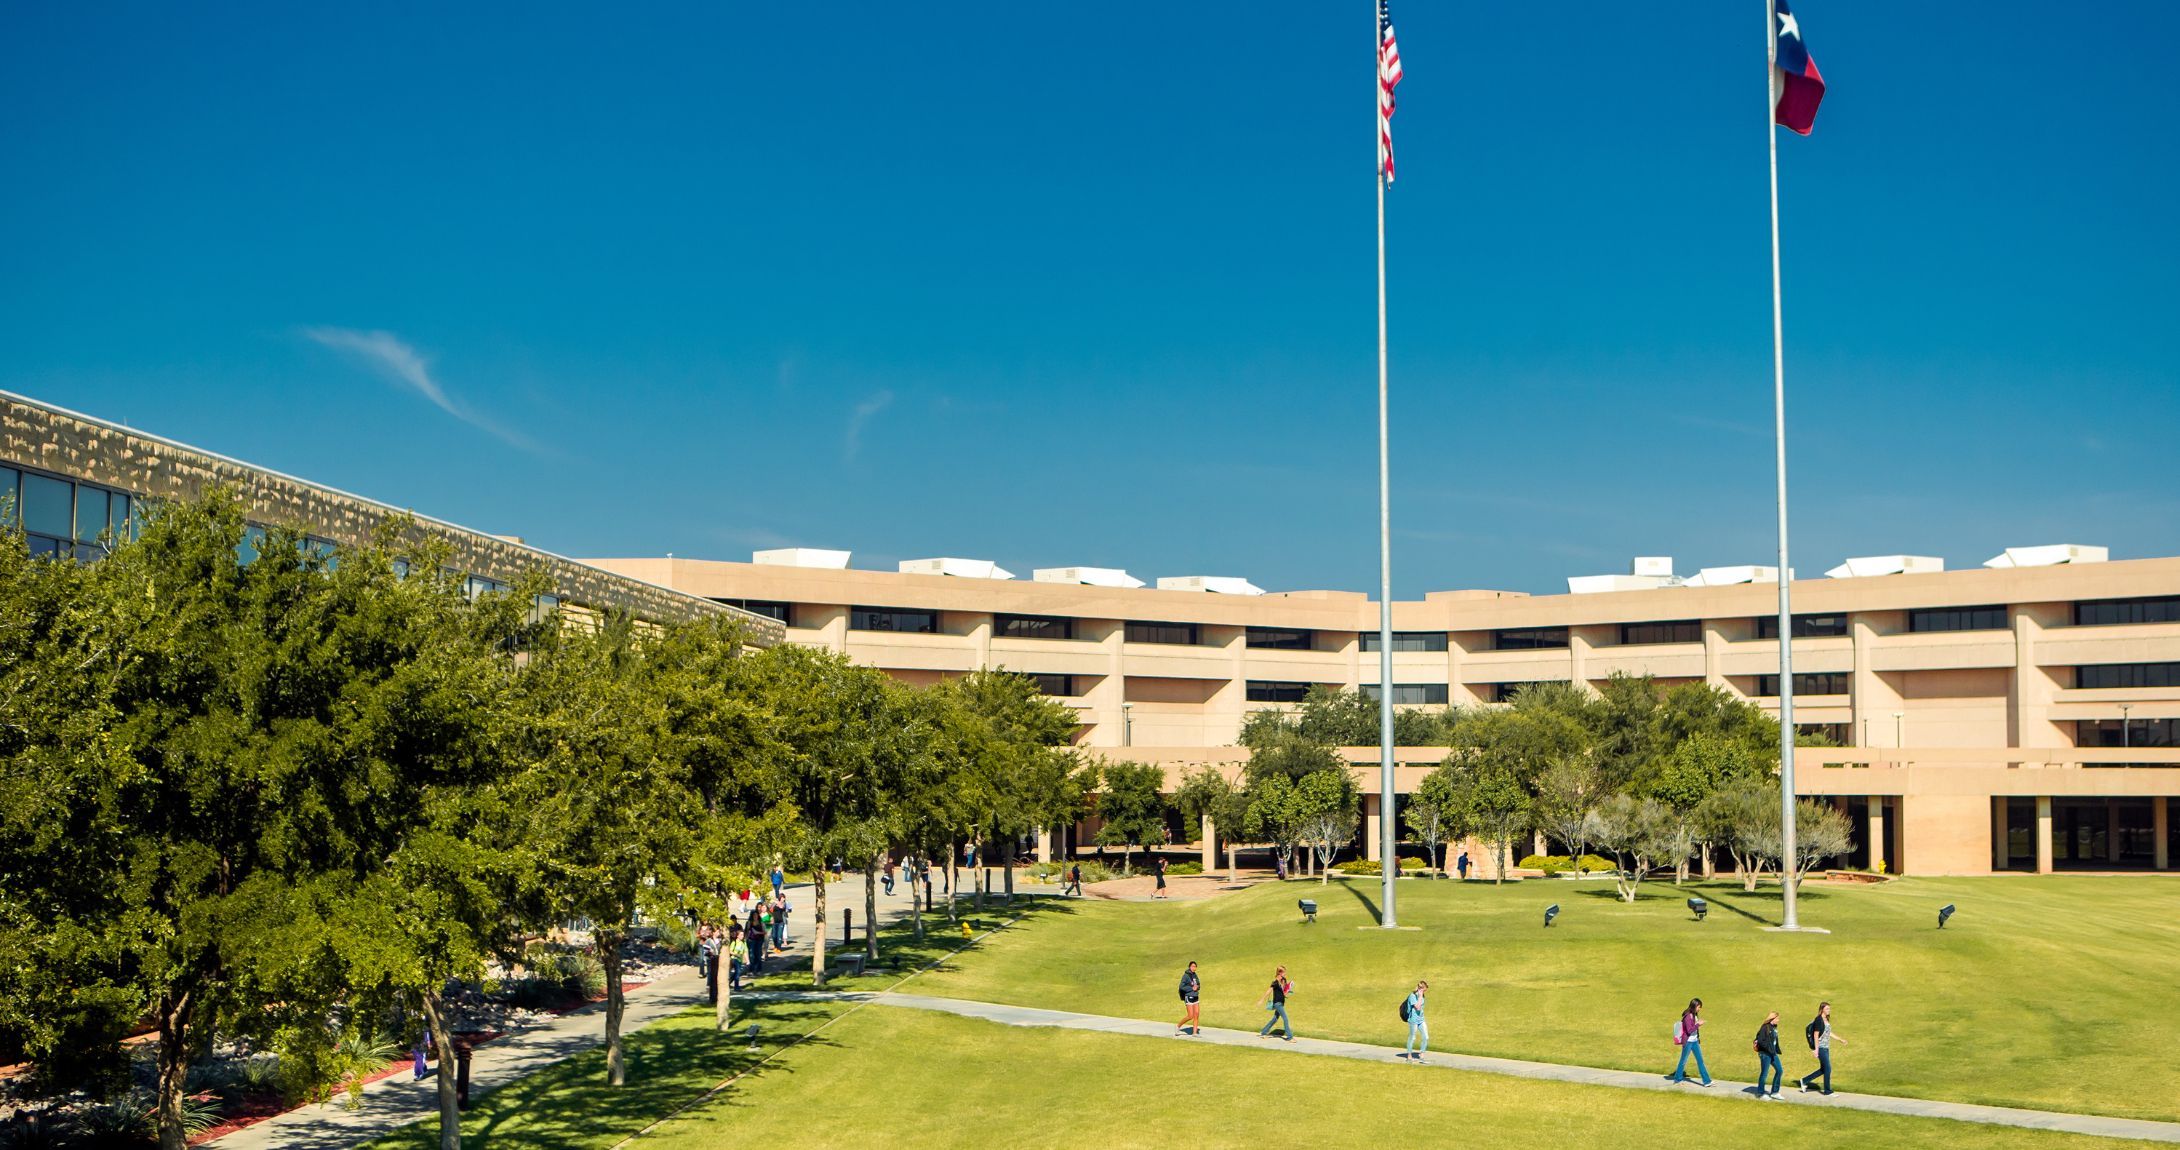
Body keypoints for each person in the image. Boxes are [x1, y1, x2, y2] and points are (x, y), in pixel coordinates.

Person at [1798, 1002, 1843, 1095]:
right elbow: (1816, 1035)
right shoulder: (1818, 1019)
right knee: (1828, 1069)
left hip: (1826, 1047)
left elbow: (1828, 1033)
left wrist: (1840, 1039)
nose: (1829, 1010)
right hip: (1821, 1047)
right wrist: (1816, 1050)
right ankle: (1827, 1091)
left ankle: (1804, 1080)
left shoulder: (1826, 1019)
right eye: (1827, 1009)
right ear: (1822, 1009)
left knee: (1824, 1069)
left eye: (1829, 1009)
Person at [1666, 997, 1712, 1086]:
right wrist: (1698, 1024)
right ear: (1694, 1006)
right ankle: (1677, 1079)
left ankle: (1707, 1081)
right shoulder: (1687, 1016)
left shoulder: (1694, 1015)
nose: (1700, 1009)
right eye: (1699, 1007)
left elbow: (1694, 1030)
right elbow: (1689, 1030)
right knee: (1683, 1061)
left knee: (1700, 1061)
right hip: (1688, 1042)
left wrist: (1698, 1037)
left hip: (1694, 1041)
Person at [1258, 966, 1294, 1041]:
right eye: (1284, 972)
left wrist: (1287, 991)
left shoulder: (1284, 980)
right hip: (1277, 1003)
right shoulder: (1275, 982)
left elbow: (1283, 992)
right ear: (1280, 973)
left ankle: (1263, 1032)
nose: (1285, 974)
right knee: (1285, 1018)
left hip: (1281, 1002)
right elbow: (1269, 991)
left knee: (1274, 1019)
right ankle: (1289, 1037)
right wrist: (1262, 999)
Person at [1754, 1011, 1784, 1099]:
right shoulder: (1765, 1027)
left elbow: (1774, 1041)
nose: (1778, 1020)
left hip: (1772, 1053)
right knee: (1764, 1073)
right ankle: (1760, 1093)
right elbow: (1760, 1040)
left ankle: (1774, 1092)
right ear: (1772, 1018)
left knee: (1779, 1070)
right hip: (1765, 1054)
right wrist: (1769, 1049)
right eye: (1777, 1018)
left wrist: (1775, 1049)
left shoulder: (1774, 1027)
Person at [1400, 980, 1429, 1063]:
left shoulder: (1422, 995)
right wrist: (1420, 996)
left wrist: (1421, 995)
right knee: (1412, 1037)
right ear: (1421, 989)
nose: (1425, 991)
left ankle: (1422, 1054)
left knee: (1426, 1037)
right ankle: (1409, 1056)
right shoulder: (1412, 996)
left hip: (1421, 1019)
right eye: (1424, 990)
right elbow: (1418, 1007)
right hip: (1413, 1020)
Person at [1175, 961, 1202, 1036]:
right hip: (1189, 996)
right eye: (1193, 966)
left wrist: (1197, 987)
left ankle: (1194, 1033)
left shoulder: (1195, 975)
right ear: (1189, 967)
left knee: (1196, 1014)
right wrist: (1191, 988)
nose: (1194, 968)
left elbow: (1198, 984)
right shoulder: (1186, 976)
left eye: (1195, 966)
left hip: (1196, 996)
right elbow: (1181, 987)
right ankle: (1178, 1026)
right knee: (1190, 1016)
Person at [701, 925, 723, 1005]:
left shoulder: (720, 941)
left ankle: (716, 995)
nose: (719, 933)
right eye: (717, 931)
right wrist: (711, 952)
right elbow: (705, 952)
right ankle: (710, 992)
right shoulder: (709, 941)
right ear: (713, 932)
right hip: (711, 960)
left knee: (717, 978)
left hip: (718, 960)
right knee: (711, 975)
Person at [727, 925, 750, 992]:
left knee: (737, 973)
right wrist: (736, 954)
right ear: (737, 935)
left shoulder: (744, 943)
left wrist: (748, 960)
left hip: (740, 960)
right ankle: (736, 987)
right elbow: (730, 951)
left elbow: (745, 951)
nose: (742, 936)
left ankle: (728, 982)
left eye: (743, 935)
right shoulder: (734, 942)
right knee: (738, 972)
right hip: (734, 959)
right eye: (741, 935)